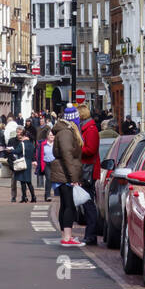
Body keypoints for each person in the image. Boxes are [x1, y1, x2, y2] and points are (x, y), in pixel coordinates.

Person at [48, 107, 84, 247]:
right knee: (69, 206)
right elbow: (67, 155)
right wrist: (74, 178)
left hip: (63, 173)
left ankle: (65, 236)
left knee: (65, 205)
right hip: (65, 174)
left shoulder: (63, 131)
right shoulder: (66, 132)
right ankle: (67, 237)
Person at [76, 103, 100, 245]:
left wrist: (78, 149)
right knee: (87, 203)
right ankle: (90, 234)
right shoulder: (87, 128)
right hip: (86, 169)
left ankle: (91, 235)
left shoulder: (91, 129)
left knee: (88, 203)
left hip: (88, 170)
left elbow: (91, 150)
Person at [8, 130, 36, 203]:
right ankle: (33, 196)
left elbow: (17, 151)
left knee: (23, 181)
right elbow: (33, 154)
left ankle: (24, 197)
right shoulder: (31, 144)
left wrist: (10, 151)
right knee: (29, 181)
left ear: (24, 136)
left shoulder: (22, 144)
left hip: (22, 163)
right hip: (28, 163)